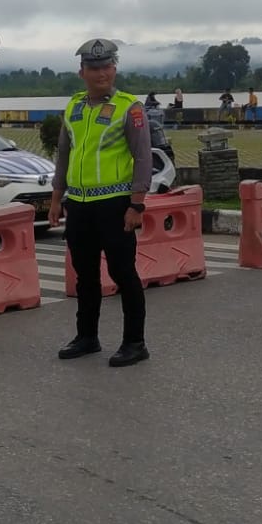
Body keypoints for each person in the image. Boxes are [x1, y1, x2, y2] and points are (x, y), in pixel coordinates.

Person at [46, 38, 152, 368]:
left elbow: (143, 157)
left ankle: (134, 342)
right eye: (94, 68)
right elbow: (64, 154)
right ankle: (87, 337)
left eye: (106, 66)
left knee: (123, 273)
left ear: (114, 69)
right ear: (82, 72)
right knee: (86, 276)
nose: (101, 73)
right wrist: (56, 198)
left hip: (115, 204)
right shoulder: (73, 108)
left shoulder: (129, 108)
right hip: (79, 205)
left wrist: (137, 205)